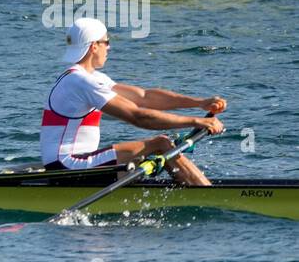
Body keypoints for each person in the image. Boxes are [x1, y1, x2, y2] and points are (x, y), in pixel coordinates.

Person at [42, 17, 225, 186]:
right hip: (66, 167)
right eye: (107, 42)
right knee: (161, 144)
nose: (109, 48)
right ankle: (207, 194)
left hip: (73, 162)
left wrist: (200, 103)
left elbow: (144, 97)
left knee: (159, 147)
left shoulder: (90, 78)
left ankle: (197, 189)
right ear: (93, 47)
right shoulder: (81, 82)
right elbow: (139, 117)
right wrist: (197, 121)